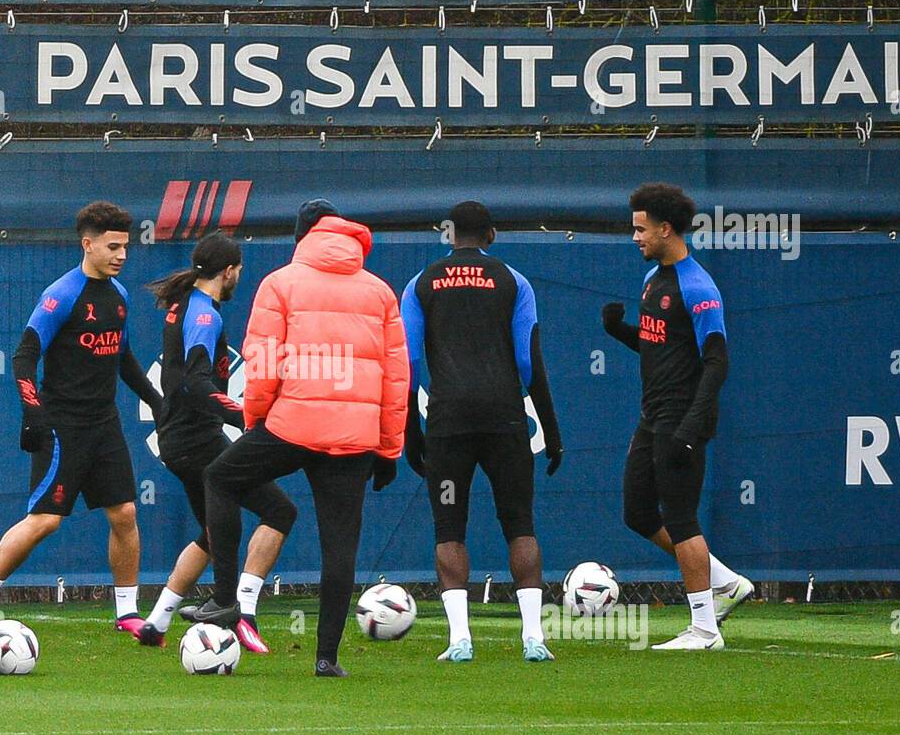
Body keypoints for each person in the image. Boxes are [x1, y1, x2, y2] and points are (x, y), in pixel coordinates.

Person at [200, 200, 409, 677]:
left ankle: (227, 599)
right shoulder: (379, 292)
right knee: (340, 546)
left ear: (301, 238)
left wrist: (255, 422)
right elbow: (397, 378)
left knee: (220, 478)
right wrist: (389, 447)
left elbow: (263, 364)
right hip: (355, 437)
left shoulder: (280, 283)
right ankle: (327, 658)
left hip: (291, 423)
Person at [0, 201, 163, 638]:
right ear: (87, 244)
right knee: (46, 521)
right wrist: (33, 412)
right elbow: (24, 357)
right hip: (62, 428)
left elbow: (122, 357)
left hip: (104, 424)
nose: (122, 255)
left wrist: (155, 401)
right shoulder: (61, 294)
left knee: (124, 513)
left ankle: (127, 612)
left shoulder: (120, 296)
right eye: (112, 247)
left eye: (125, 247)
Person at [400, 200, 563, 663]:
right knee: (519, 525)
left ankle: (459, 640)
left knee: (449, 528)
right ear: (491, 235)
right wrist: (551, 430)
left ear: (449, 234)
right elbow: (530, 362)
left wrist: (412, 433)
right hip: (506, 420)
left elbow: (408, 368)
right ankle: (534, 638)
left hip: (449, 424)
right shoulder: (515, 281)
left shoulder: (421, 283)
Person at [601, 183, 754, 650]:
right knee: (637, 512)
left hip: (683, 419)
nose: (635, 238)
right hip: (653, 416)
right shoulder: (653, 280)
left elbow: (717, 361)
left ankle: (705, 629)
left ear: (666, 229)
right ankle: (727, 582)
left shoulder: (698, 286)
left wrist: (691, 425)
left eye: (641, 229)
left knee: (682, 517)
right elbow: (657, 346)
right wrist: (619, 330)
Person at [138, 232, 297, 652]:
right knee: (280, 509)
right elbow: (195, 382)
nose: (238, 277)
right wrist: (243, 415)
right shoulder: (205, 314)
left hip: (179, 438)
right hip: (195, 437)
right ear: (228, 272)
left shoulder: (185, 303)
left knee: (213, 532)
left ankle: (156, 622)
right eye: (239, 271)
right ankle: (234, 606)